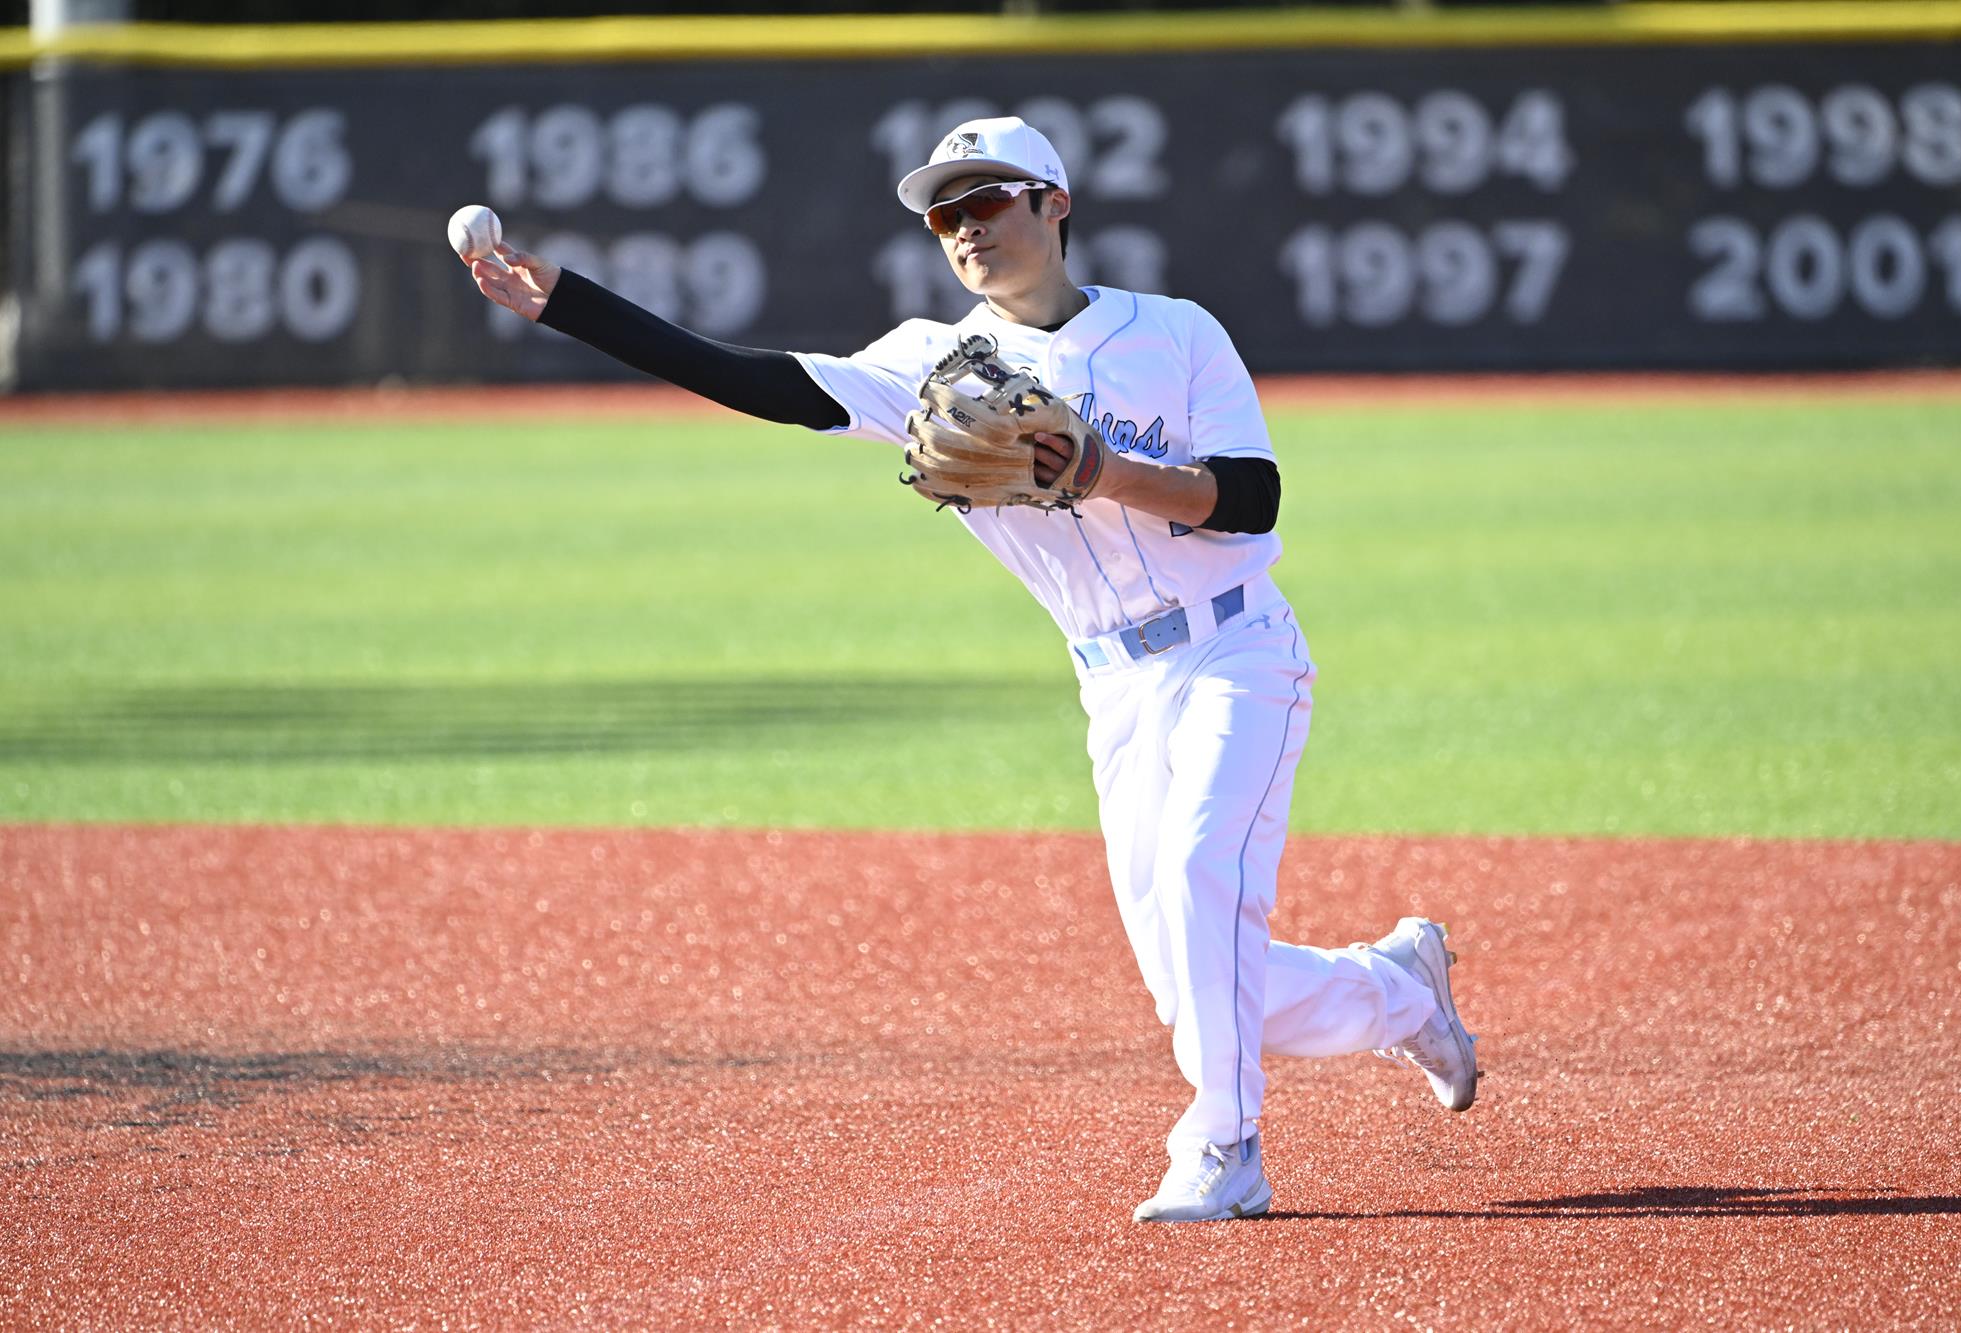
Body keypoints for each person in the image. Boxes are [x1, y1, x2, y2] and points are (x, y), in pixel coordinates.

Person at [464, 116, 1479, 1223]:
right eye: (944, 214)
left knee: (1202, 876)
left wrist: (1105, 471)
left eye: (986, 200)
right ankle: (1394, 987)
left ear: (1054, 204)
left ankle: (1224, 1143)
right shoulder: (927, 367)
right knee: (1202, 993)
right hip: (1113, 686)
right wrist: (568, 303)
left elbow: (1249, 498)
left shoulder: (1176, 334)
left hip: (1235, 644)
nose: (965, 229)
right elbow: (754, 379)